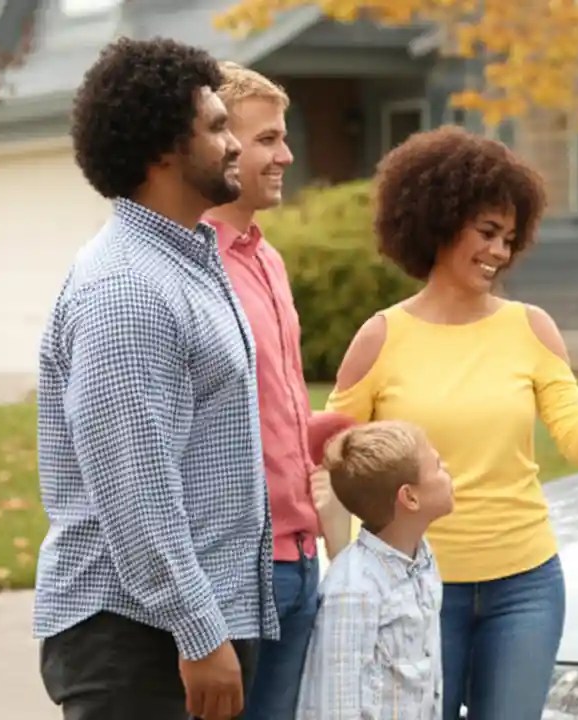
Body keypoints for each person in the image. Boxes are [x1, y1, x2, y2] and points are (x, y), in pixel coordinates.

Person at [318, 125, 578, 719]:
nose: (500, 252)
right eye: (487, 232)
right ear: (438, 221)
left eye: (509, 237)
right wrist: (348, 572)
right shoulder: (381, 337)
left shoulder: (530, 327)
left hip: (524, 586)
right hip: (415, 590)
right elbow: (331, 464)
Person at [32, 37, 277, 720]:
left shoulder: (183, 261)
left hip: (181, 624)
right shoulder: (128, 289)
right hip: (137, 638)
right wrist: (199, 634)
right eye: (218, 127)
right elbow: (134, 488)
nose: (235, 144)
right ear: (165, 149)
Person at [203, 60, 355, 720]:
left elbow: (274, 407)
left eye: (283, 137)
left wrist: (345, 430)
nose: (286, 155)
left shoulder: (268, 259)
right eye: (267, 139)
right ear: (219, 144)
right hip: (235, 569)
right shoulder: (190, 267)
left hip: (299, 559)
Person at [297, 420, 453, 719]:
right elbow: (337, 705)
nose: (447, 470)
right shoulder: (354, 589)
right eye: (437, 466)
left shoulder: (422, 559)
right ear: (410, 497)